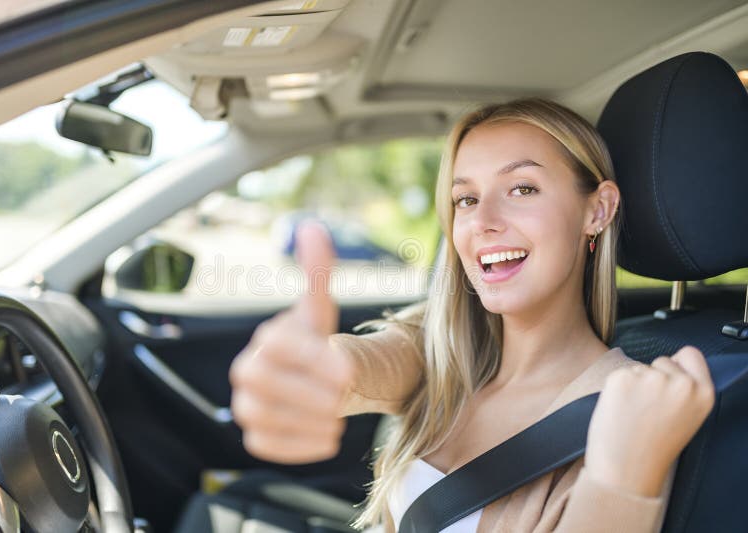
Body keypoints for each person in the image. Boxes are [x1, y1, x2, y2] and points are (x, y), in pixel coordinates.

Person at [228, 99, 715, 532]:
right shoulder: (447, 344)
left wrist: (621, 482)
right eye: (466, 199)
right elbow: (372, 363)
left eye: (522, 189)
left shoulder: (630, 407)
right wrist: (313, 371)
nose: (483, 222)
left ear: (598, 210)